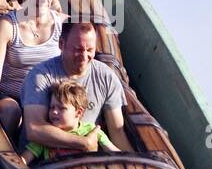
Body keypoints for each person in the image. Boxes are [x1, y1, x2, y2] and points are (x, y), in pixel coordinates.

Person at [21, 21, 132, 154]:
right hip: (40, 163)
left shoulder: (106, 77)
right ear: (62, 44)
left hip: (85, 164)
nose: (84, 56)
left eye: (90, 50)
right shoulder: (40, 75)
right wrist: (84, 143)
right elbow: (35, 129)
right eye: (78, 49)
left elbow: (117, 131)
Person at [0, 0, 63, 136]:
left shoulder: (63, 24)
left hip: (47, 99)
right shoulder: (6, 25)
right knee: (10, 112)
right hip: (12, 96)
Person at [21, 81, 120, 164]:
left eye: (62, 108)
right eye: (52, 107)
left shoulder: (91, 131)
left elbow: (115, 154)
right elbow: (24, 160)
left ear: (78, 112)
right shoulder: (47, 136)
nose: (54, 112)